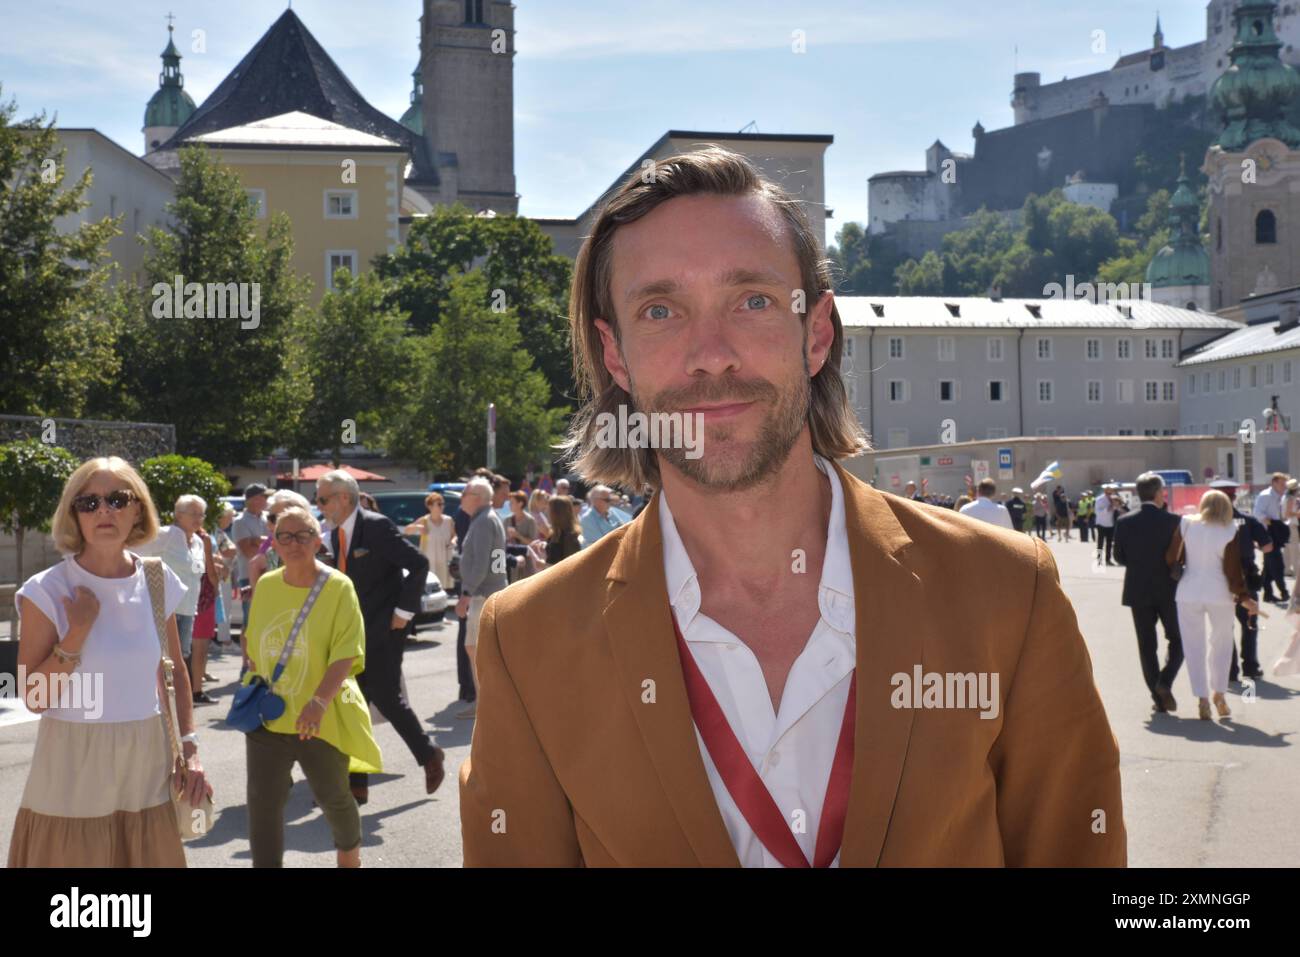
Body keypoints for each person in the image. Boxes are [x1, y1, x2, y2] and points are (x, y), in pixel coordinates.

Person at [459, 146, 1124, 867]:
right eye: (661, 310)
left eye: (752, 301)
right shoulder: (530, 642)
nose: (711, 354)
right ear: (615, 356)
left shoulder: (1006, 593)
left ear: (816, 333)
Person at [8, 456, 208, 866]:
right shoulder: (46, 590)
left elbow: (175, 673)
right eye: (90, 502)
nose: (105, 511)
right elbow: (33, 697)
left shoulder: (157, 580)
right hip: (72, 762)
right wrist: (75, 634)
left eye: (118, 499)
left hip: (146, 759)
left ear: (138, 510)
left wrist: (190, 747)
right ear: (73, 513)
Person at [241, 505, 382, 868]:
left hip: (319, 714)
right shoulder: (268, 585)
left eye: (303, 535)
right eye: (284, 536)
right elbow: (253, 642)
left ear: (318, 541)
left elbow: (346, 653)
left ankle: (349, 857)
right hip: (268, 714)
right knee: (262, 802)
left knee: (333, 796)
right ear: (274, 543)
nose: (293, 543)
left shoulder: (338, 587)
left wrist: (319, 701)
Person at [315, 470, 442, 805]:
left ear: (344, 498)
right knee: (351, 702)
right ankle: (356, 783)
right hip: (350, 632)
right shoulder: (335, 533)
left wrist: (402, 613)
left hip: (383, 630)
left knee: (385, 697)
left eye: (323, 498)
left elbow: (417, 564)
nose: (319, 505)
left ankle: (428, 755)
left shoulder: (375, 526)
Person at [1167, 490, 1259, 721]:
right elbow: (1232, 570)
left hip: (1188, 592)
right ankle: (1219, 694)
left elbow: (1170, 557)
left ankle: (1202, 699)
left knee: (1193, 646)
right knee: (1222, 644)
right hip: (1220, 594)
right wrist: (1244, 597)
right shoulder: (1230, 530)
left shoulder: (1186, 523)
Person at [1113, 472, 1184, 714]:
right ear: (1158, 494)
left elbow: (1119, 557)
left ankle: (1157, 696)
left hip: (1137, 590)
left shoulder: (1124, 521)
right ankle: (1165, 681)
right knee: (1178, 639)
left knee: (1146, 645)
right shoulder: (1175, 520)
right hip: (1169, 590)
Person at [136, 495, 209, 703]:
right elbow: (132, 551)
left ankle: (171, 701)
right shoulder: (167, 535)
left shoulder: (198, 542)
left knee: (181, 655)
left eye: (201, 514)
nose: (198, 518)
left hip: (188, 607)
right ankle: (154, 699)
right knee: (161, 656)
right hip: (164, 607)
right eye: (193, 513)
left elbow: (197, 572)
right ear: (178, 514)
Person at [455, 477, 509, 720]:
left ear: (476, 497)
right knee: (479, 648)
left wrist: (466, 594)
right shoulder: (489, 519)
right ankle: (486, 701)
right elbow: (495, 560)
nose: (461, 496)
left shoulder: (483, 522)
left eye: (464, 492)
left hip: (482, 595)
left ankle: (484, 703)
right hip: (490, 591)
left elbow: (480, 564)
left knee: (475, 647)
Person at [1208, 479, 1272, 684]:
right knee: (1249, 624)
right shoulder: (1248, 520)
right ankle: (1251, 667)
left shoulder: (1208, 524)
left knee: (1224, 627)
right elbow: (1268, 546)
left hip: (1219, 579)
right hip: (1245, 579)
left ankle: (1230, 670)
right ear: (1234, 498)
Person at [232, 483, 271, 625]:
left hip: (268, 575)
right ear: (252, 499)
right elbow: (250, 553)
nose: (266, 500)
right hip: (248, 577)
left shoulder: (268, 518)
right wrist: (268, 543)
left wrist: (257, 540)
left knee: (266, 620)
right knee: (250, 621)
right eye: (263, 497)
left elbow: (277, 546)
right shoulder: (240, 522)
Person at [404, 492, 456, 591]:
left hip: (444, 558)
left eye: (443, 504)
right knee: (430, 586)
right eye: (439, 504)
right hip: (430, 559)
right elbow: (407, 531)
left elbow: (454, 535)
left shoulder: (448, 520)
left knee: (443, 586)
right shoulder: (424, 520)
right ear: (430, 506)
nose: (442, 506)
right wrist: (418, 527)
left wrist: (453, 541)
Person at [1254, 472, 1291, 603]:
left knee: (1269, 566)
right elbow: (1257, 514)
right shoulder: (1265, 496)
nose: (1284, 486)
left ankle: (1266, 593)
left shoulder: (1282, 496)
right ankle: (1284, 592)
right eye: (1281, 484)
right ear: (1274, 482)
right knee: (1277, 564)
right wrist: (1273, 523)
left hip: (1277, 532)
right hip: (1267, 534)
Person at [527, 494, 584, 572]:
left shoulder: (570, 537)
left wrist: (544, 565)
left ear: (556, 513)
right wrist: (545, 546)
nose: (547, 511)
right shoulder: (555, 533)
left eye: (549, 509)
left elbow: (569, 567)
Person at [1094, 483, 1119, 565]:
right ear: (1105, 492)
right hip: (1101, 523)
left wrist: (1116, 505)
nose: (1110, 494)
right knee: (1100, 543)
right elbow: (1098, 512)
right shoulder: (1099, 499)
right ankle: (1099, 559)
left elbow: (1117, 509)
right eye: (1108, 492)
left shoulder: (1113, 499)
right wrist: (1109, 508)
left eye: (1111, 492)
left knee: (1109, 543)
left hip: (1110, 524)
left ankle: (1108, 560)